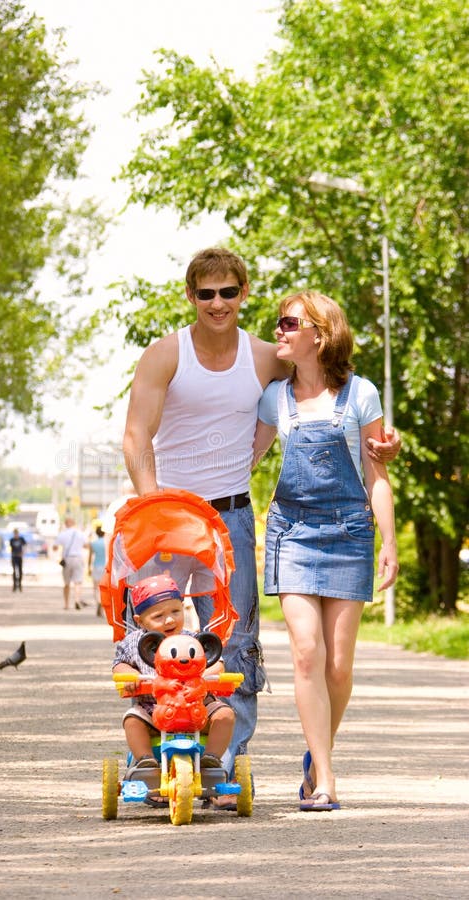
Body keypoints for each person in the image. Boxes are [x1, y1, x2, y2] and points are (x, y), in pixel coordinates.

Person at [122, 246, 401, 780]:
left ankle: (224, 763)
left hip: (231, 517)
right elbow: (137, 439)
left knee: (236, 643)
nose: (218, 303)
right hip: (168, 514)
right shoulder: (165, 355)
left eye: (229, 292)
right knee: (146, 638)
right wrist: (152, 506)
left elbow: (338, 390)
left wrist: (388, 443)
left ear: (243, 294)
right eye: (206, 293)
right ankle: (148, 757)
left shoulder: (266, 357)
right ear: (190, 296)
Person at [253, 290, 398, 812]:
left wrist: (390, 543)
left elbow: (377, 474)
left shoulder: (360, 394)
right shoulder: (275, 398)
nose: (280, 331)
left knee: (338, 667)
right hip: (291, 532)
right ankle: (327, 780)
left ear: (321, 332)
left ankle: (316, 756)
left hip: (349, 532)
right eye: (279, 323)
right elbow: (245, 459)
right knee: (307, 651)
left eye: (290, 323)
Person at [112, 574, 235, 793]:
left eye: (175, 612)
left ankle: (211, 759)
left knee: (225, 715)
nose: (169, 620)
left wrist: (206, 675)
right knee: (132, 720)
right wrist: (130, 675)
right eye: (159, 616)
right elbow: (119, 665)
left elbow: (219, 664)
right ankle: (145, 761)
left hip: (196, 707)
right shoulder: (133, 643)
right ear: (139, 621)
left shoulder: (194, 639)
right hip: (153, 709)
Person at [54, 516, 87, 610]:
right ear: (74, 523)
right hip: (78, 558)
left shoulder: (62, 534)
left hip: (67, 559)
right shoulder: (81, 534)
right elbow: (86, 545)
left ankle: (66, 604)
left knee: (66, 583)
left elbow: (55, 547)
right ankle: (77, 600)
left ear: (65, 524)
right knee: (78, 582)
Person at [88, 525, 107, 616]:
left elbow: (90, 557)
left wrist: (88, 568)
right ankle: (102, 604)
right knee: (103, 588)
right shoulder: (107, 543)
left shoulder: (93, 543)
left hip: (96, 566)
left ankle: (98, 602)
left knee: (96, 588)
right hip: (105, 567)